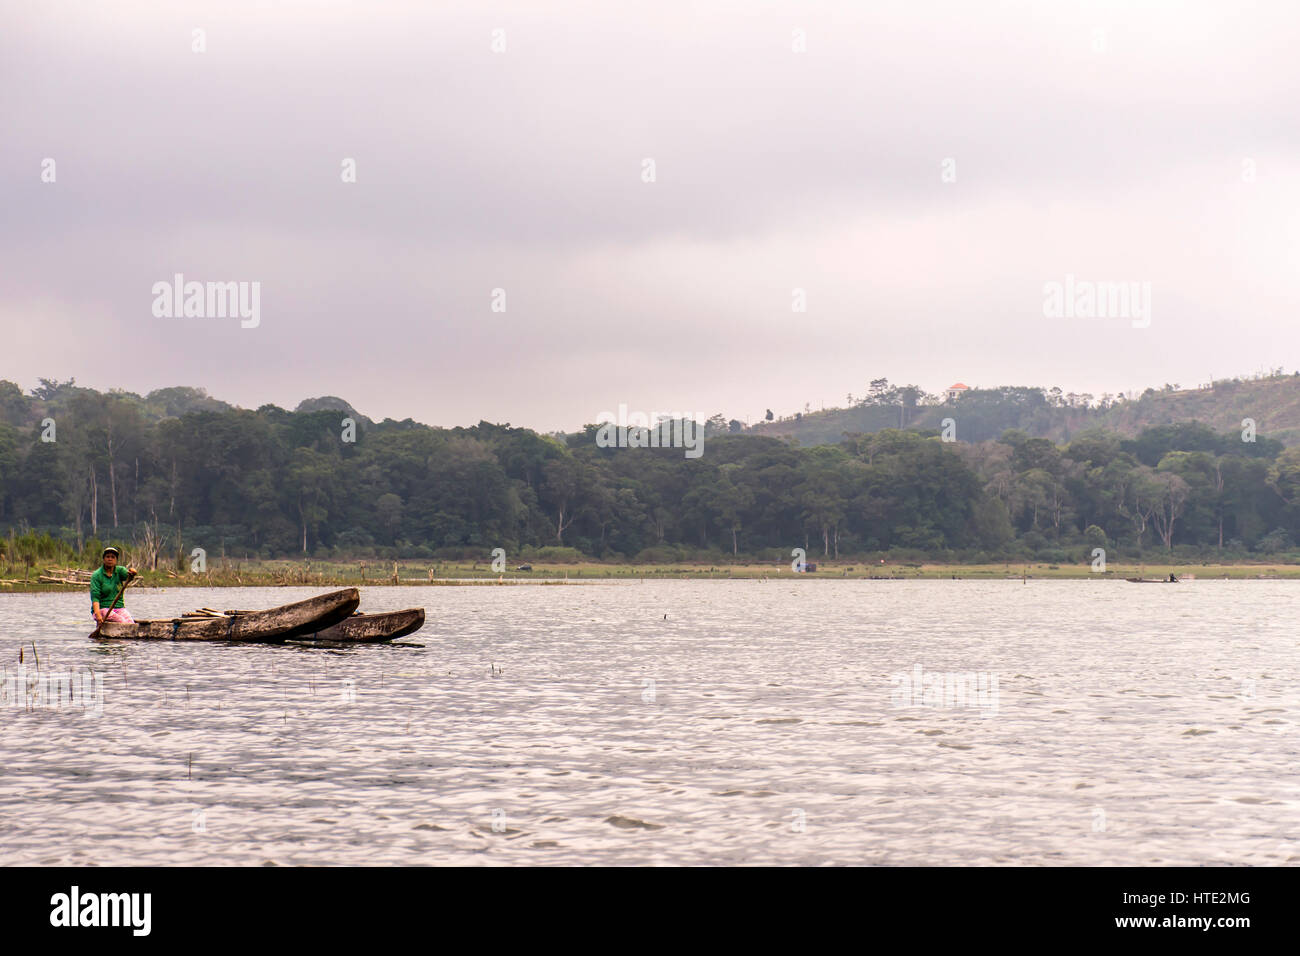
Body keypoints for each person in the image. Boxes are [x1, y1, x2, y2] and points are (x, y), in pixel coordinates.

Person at [91, 547, 137, 625]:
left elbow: (128, 575)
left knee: (131, 623)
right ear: (104, 559)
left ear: (116, 560)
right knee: (121, 621)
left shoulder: (120, 571)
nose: (110, 559)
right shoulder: (97, 575)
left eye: (113, 557)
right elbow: (95, 598)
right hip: (102, 609)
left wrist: (132, 573)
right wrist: (98, 615)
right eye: (107, 557)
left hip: (119, 608)